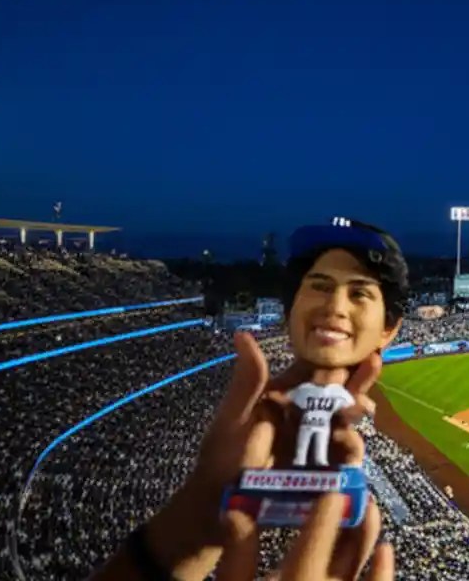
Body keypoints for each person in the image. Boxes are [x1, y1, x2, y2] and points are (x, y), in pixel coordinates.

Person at [91, 218, 410, 580]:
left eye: (359, 292)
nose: (335, 306)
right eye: (319, 286)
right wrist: (203, 506)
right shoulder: (286, 408)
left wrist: (197, 517)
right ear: (290, 311)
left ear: (389, 329)